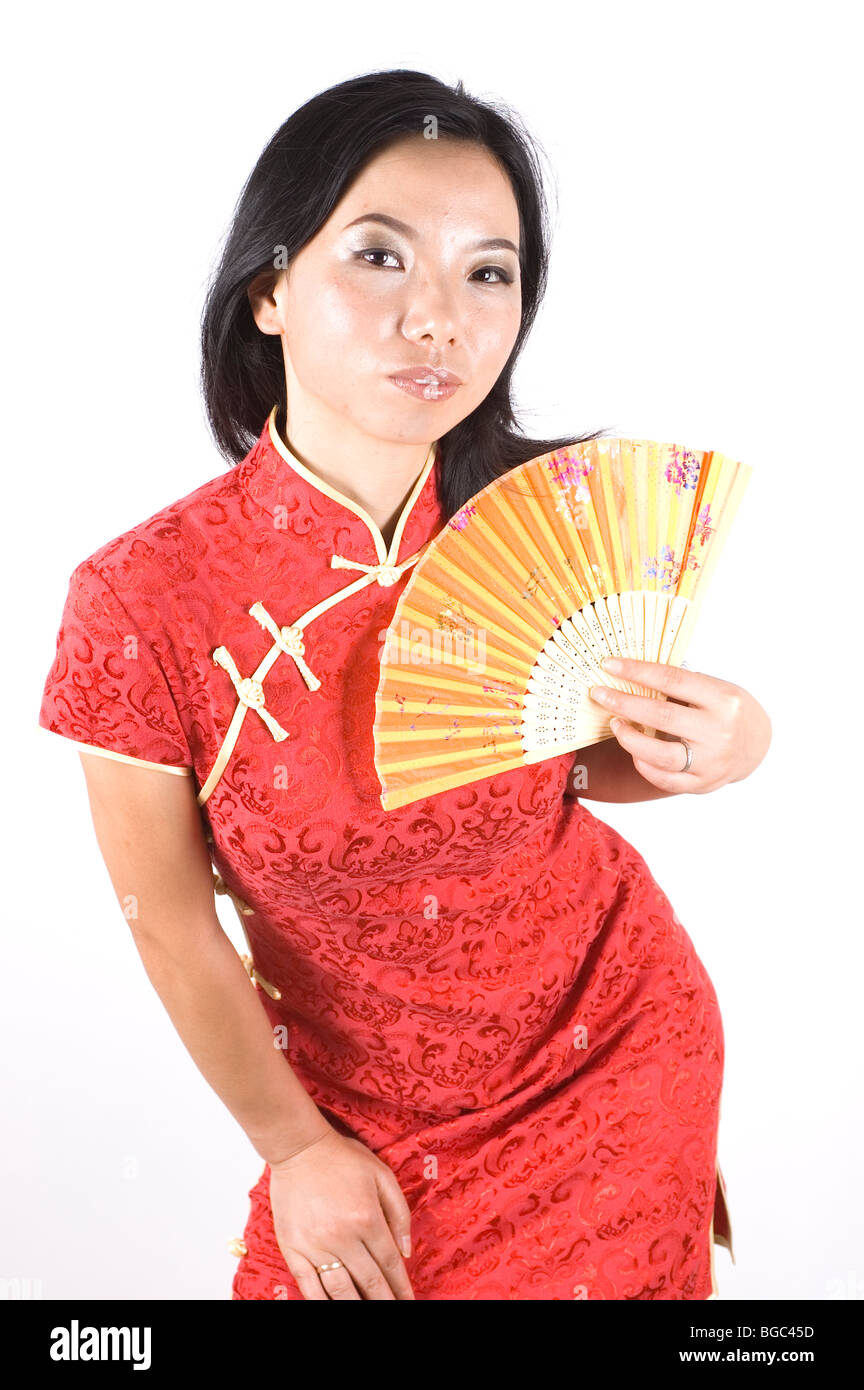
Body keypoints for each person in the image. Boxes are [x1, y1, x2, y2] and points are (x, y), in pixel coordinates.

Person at [37, 69, 770, 1301]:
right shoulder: (139, 597)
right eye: (381, 258)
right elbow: (167, 914)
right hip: (352, 1121)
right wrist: (293, 1148)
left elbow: (556, 768)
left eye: (489, 271)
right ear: (269, 289)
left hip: (614, 1049)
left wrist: (725, 744)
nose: (440, 318)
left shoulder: (538, 528)